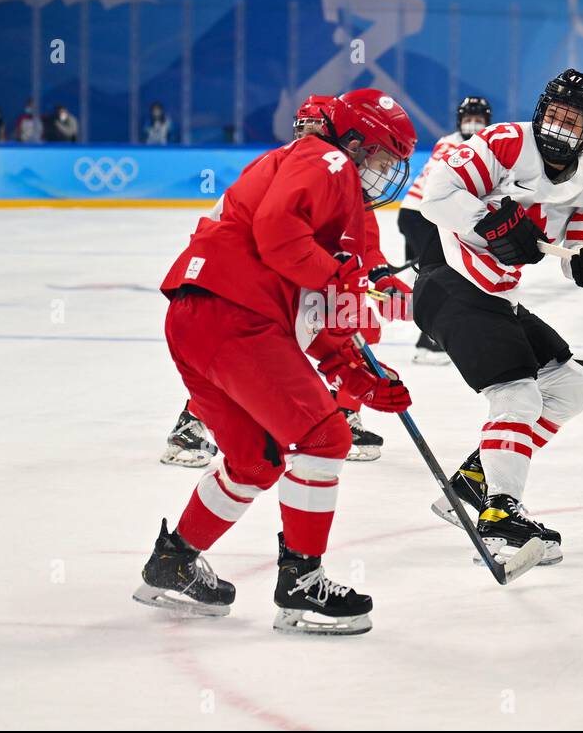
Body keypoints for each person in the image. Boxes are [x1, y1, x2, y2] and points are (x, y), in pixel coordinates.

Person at [135, 89, 417, 636]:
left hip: (198, 320)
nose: (383, 173)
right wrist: (342, 279)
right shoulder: (326, 160)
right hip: (236, 318)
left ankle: (173, 563)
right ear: (355, 143)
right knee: (324, 439)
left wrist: (358, 375)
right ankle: (302, 585)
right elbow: (279, 238)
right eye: (381, 159)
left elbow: (314, 303)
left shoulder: (313, 174)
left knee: (255, 459)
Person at [413, 69, 583, 567]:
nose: (558, 125)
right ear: (540, 109)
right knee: (516, 393)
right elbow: (436, 195)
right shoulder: (504, 142)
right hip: (449, 283)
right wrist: (489, 222)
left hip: (497, 297)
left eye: (571, 119)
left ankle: (475, 481)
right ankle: (501, 517)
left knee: (570, 386)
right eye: (553, 113)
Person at [160, 94, 408, 467]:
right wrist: (335, 277)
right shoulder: (299, 167)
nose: (307, 135)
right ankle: (194, 420)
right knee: (245, 351)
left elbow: (361, 245)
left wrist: (377, 276)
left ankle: (342, 411)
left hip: (255, 288)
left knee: (354, 326)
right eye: (302, 128)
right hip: (245, 290)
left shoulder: (327, 176)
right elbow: (269, 234)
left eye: (315, 127)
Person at [397, 95, 493, 364]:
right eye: (468, 119)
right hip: (421, 216)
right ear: (459, 122)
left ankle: (431, 339)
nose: (472, 125)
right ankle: (429, 343)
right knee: (441, 275)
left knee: (434, 276)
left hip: (421, 215)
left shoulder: (473, 146)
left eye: (478, 120)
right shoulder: (452, 145)